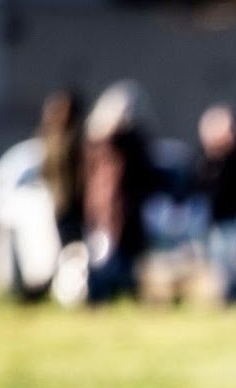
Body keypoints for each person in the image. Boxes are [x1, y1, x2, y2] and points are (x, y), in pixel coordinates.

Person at [80, 80, 158, 303]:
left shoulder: (129, 143)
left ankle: (119, 294)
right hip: (106, 210)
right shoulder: (105, 143)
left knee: (123, 259)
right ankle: (100, 296)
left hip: (124, 210)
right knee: (103, 258)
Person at [192, 103, 236, 301]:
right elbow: (198, 185)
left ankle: (230, 295)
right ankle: (216, 294)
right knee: (211, 259)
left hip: (232, 217)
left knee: (228, 258)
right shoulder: (205, 158)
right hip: (209, 218)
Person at [38, 88, 84, 247]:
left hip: (71, 201)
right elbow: (47, 170)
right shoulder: (56, 140)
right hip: (61, 200)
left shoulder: (72, 138)